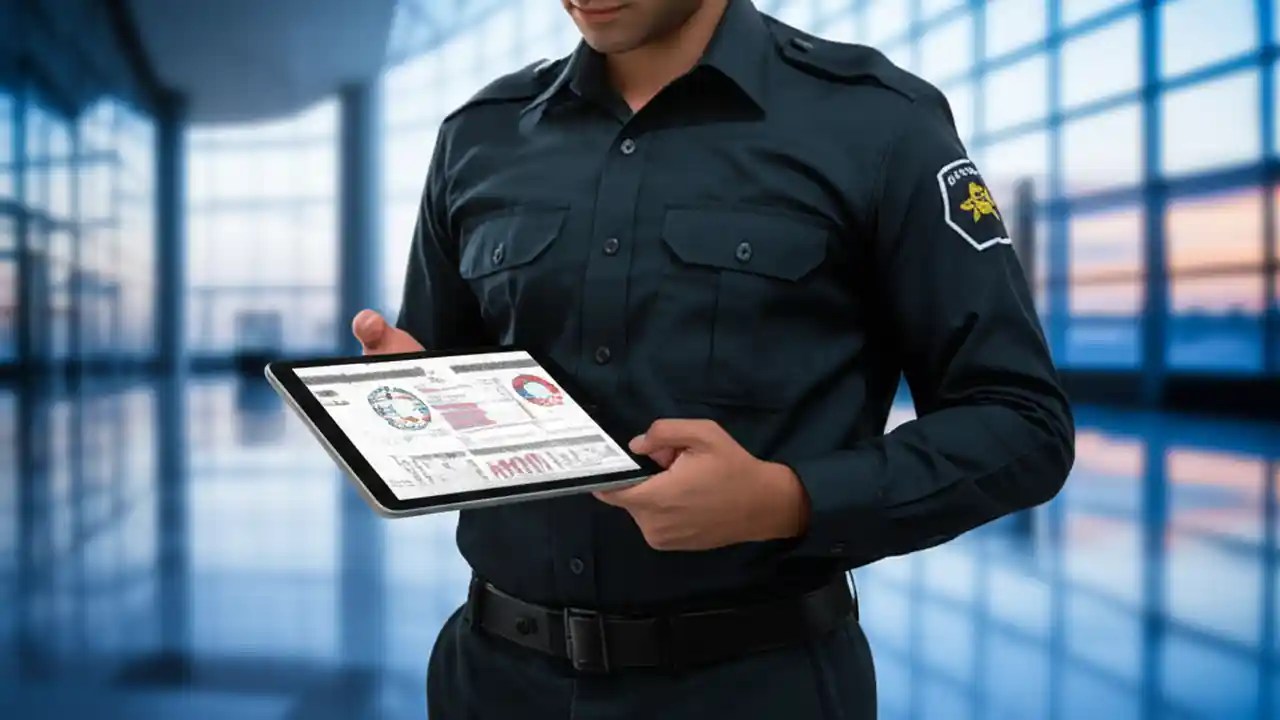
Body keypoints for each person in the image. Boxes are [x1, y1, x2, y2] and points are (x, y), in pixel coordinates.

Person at [352, 0, 1075, 717]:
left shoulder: (880, 124)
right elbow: (451, 393)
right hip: (491, 683)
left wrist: (787, 500)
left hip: (758, 690)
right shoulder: (479, 135)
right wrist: (409, 405)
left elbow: (1023, 422)